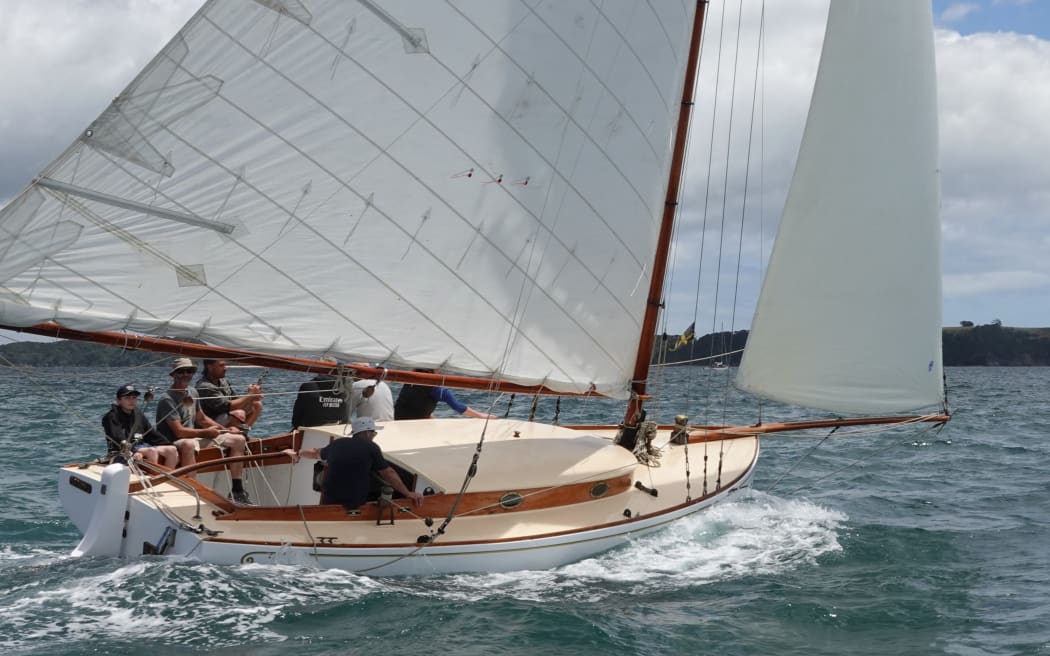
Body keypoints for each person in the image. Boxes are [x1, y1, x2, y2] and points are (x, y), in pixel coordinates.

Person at [156, 357, 253, 504]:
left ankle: (237, 490)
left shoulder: (192, 392)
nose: (186, 374)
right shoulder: (167, 399)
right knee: (188, 444)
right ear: (174, 374)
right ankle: (191, 490)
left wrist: (225, 430)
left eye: (189, 371)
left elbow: (201, 419)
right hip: (174, 442)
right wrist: (206, 433)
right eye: (181, 371)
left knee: (238, 440)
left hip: (194, 437)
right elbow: (179, 432)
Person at [291, 417, 423, 509]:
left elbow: (314, 453)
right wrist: (408, 493)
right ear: (367, 432)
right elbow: (389, 473)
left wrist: (297, 453)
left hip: (329, 502)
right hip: (354, 504)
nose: (374, 436)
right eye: (374, 433)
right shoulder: (371, 447)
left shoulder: (337, 444)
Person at [101, 384, 178, 467]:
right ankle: (153, 478)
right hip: (120, 452)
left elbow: (151, 434)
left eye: (134, 398)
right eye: (127, 398)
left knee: (172, 450)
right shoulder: (111, 416)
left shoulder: (138, 414)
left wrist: (169, 443)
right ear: (118, 401)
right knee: (151, 451)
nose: (131, 401)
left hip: (140, 447)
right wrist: (133, 451)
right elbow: (117, 436)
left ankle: (168, 478)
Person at [393, 369, 495, 420]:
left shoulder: (409, 381)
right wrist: (481, 416)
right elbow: (459, 407)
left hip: (398, 419)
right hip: (413, 425)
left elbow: (413, 405)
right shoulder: (436, 388)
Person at [196, 359, 263, 431]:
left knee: (256, 404)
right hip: (211, 422)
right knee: (238, 413)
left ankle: (243, 434)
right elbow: (227, 406)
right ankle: (230, 436)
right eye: (221, 365)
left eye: (225, 365)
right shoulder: (205, 386)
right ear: (210, 367)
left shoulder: (223, 381)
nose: (225, 368)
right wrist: (250, 395)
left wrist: (251, 398)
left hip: (224, 415)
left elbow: (235, 399)